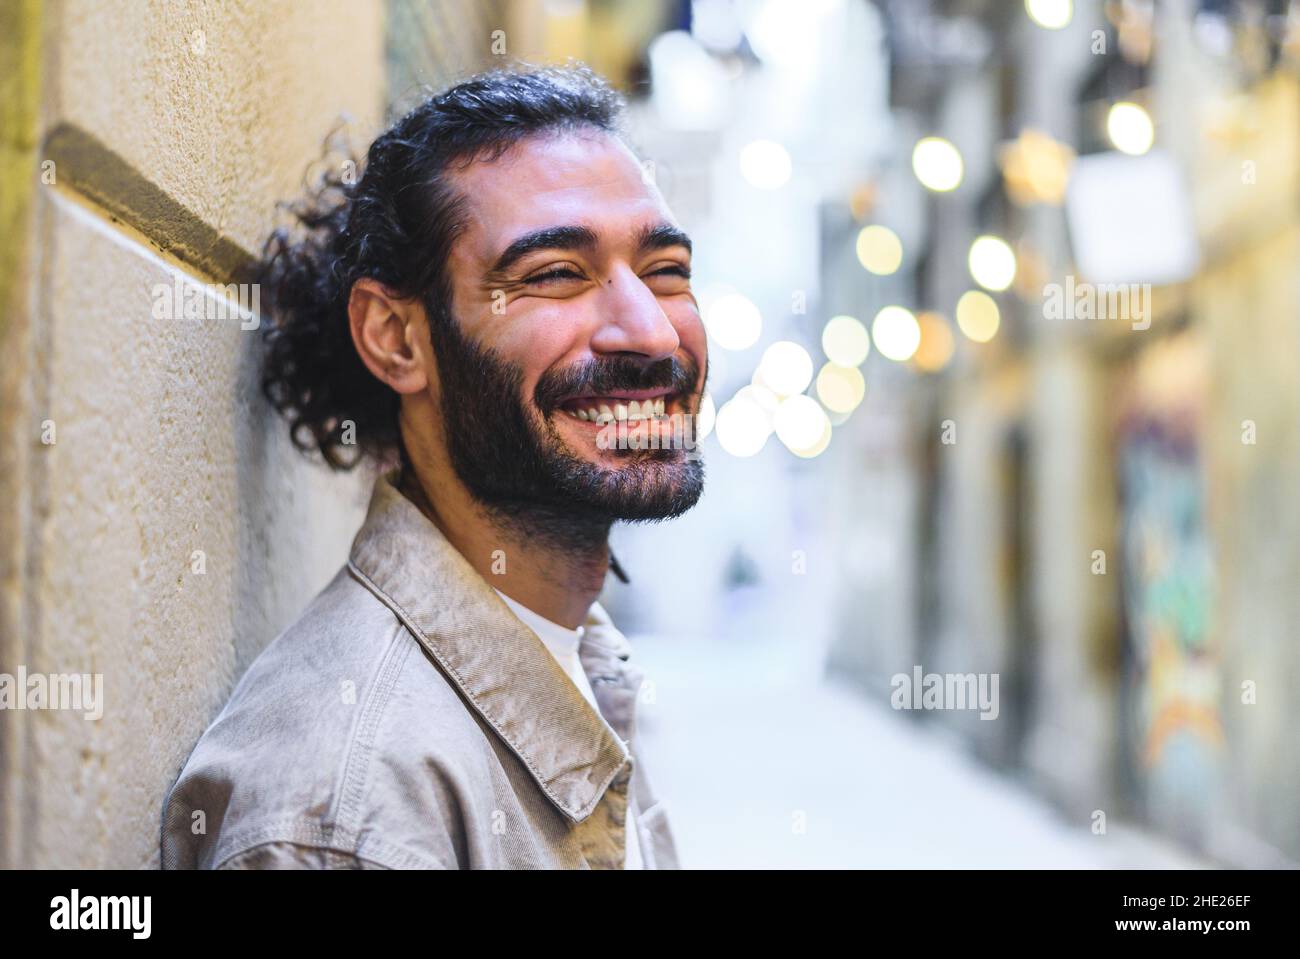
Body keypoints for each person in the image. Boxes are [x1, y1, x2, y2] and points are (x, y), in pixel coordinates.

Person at [160, 63, 708, 869]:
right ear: (396, 337)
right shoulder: (351, 814)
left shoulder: (578, 652)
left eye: (666, 272)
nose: (653, 333)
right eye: (556, 274)